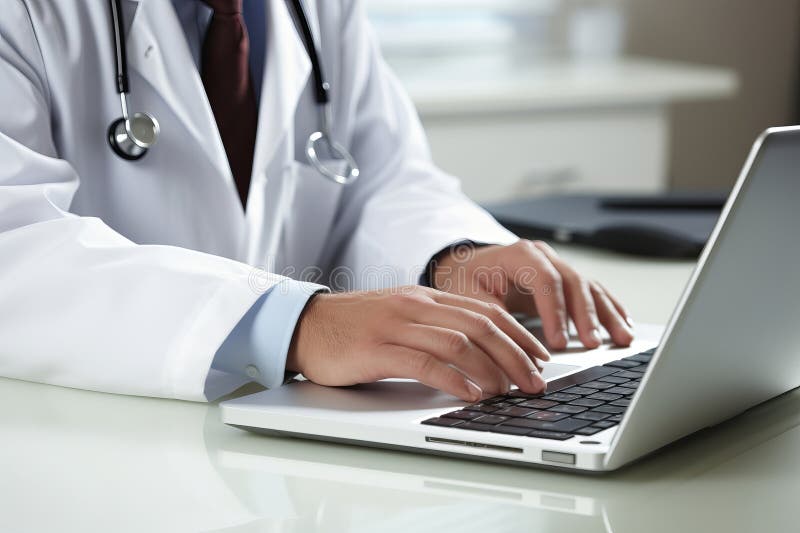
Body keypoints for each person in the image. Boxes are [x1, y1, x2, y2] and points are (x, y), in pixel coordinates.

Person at [0, 0, 633, 403]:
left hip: (273, 448)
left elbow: (381, 176)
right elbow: (14, 250)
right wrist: (294, 324)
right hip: (72, 441)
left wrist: (455, 259)